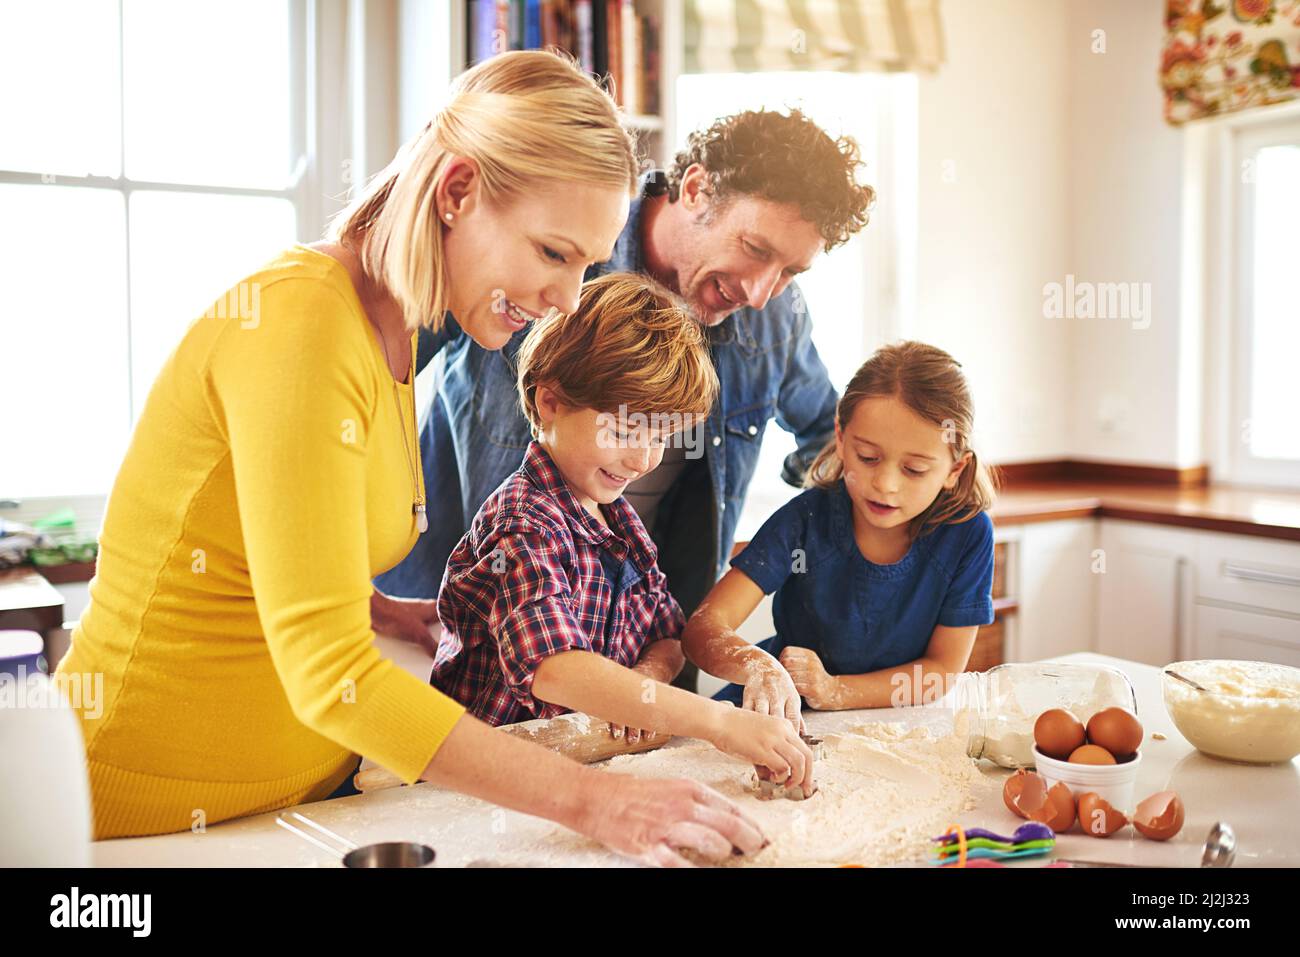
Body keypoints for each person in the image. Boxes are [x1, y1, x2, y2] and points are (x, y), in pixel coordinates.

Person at [55, 50, 765, 867]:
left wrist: (403, 611)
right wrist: (600, 802)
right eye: (552, 253)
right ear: (458, 191)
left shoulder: (388, 335)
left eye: (587, 265)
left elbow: (291, 559)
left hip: (303, 805)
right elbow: (329, 672)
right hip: (142, 821)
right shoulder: (298, 324)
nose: (566, 300)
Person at [375, 110, 877, 685]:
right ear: (695, 189)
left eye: (790, 271)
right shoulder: (558, 251)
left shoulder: (776, 320)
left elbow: (827, 442)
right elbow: (368, 378)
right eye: (756, 248)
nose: (762, 292)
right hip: (467, 644)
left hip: (648, 655)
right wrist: (361, 598)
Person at [432, 274, 815, 793]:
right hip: (484, 781)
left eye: (661, 436)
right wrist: (721, 723)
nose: (643, 459)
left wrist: (648, 682)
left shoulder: (621, 522)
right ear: (550, 403)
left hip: (584, 773)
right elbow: (556, 670)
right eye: (627, 429)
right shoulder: (522, 522)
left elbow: (668, 637)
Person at [681, 342, 997, 723]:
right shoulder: (805, 521)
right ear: (841, 439)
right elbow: (702, 629)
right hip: (784, 711)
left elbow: (942, 669)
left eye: (914, 469)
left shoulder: (967, 535)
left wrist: (834, 691)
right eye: (868, 457)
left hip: (898, 719)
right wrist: (756, 666)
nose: (885, 484)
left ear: (954, 470)